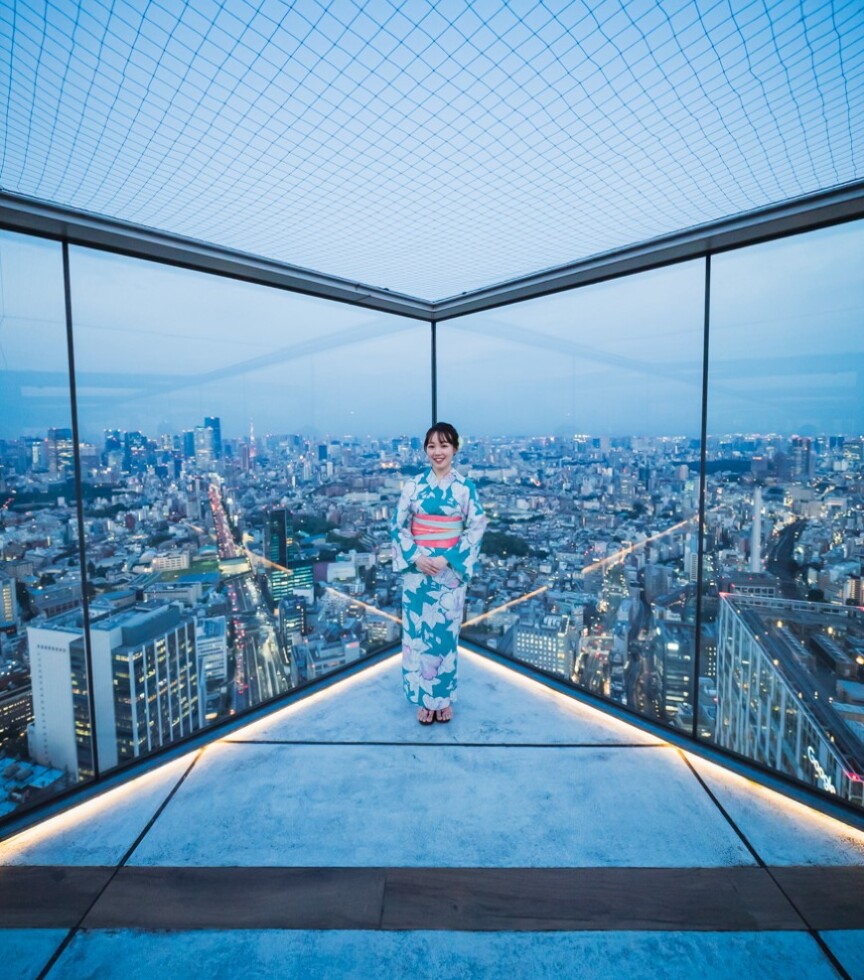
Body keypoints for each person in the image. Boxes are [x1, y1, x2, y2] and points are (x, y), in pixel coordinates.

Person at [391, 422, 487, 724]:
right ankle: (423, 698)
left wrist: (448, 559)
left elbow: (477, 526)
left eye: (444, 445)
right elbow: (397, 525)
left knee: (444, 638)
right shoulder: (413, 485)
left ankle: (442, 699)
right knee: (417, 636)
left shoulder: (465, 488)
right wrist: (416, 557)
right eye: (431, 446)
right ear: (425, 450)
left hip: (449, 573)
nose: (437, 451)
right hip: (418, 573)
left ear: (454, 449)